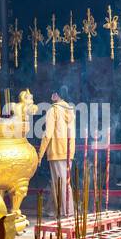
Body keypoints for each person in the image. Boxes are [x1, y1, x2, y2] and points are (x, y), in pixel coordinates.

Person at [37, 88, 76, 218]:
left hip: (56, 150)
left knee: (60, 182)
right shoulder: (70, 110)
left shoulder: (53, 111)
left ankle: (67, 211)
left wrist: (40, 153)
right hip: (68, 150)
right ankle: (53, 209)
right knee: (62, 180)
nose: (51, 94)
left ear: (57, 95)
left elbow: (47, 134)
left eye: (53, 92)